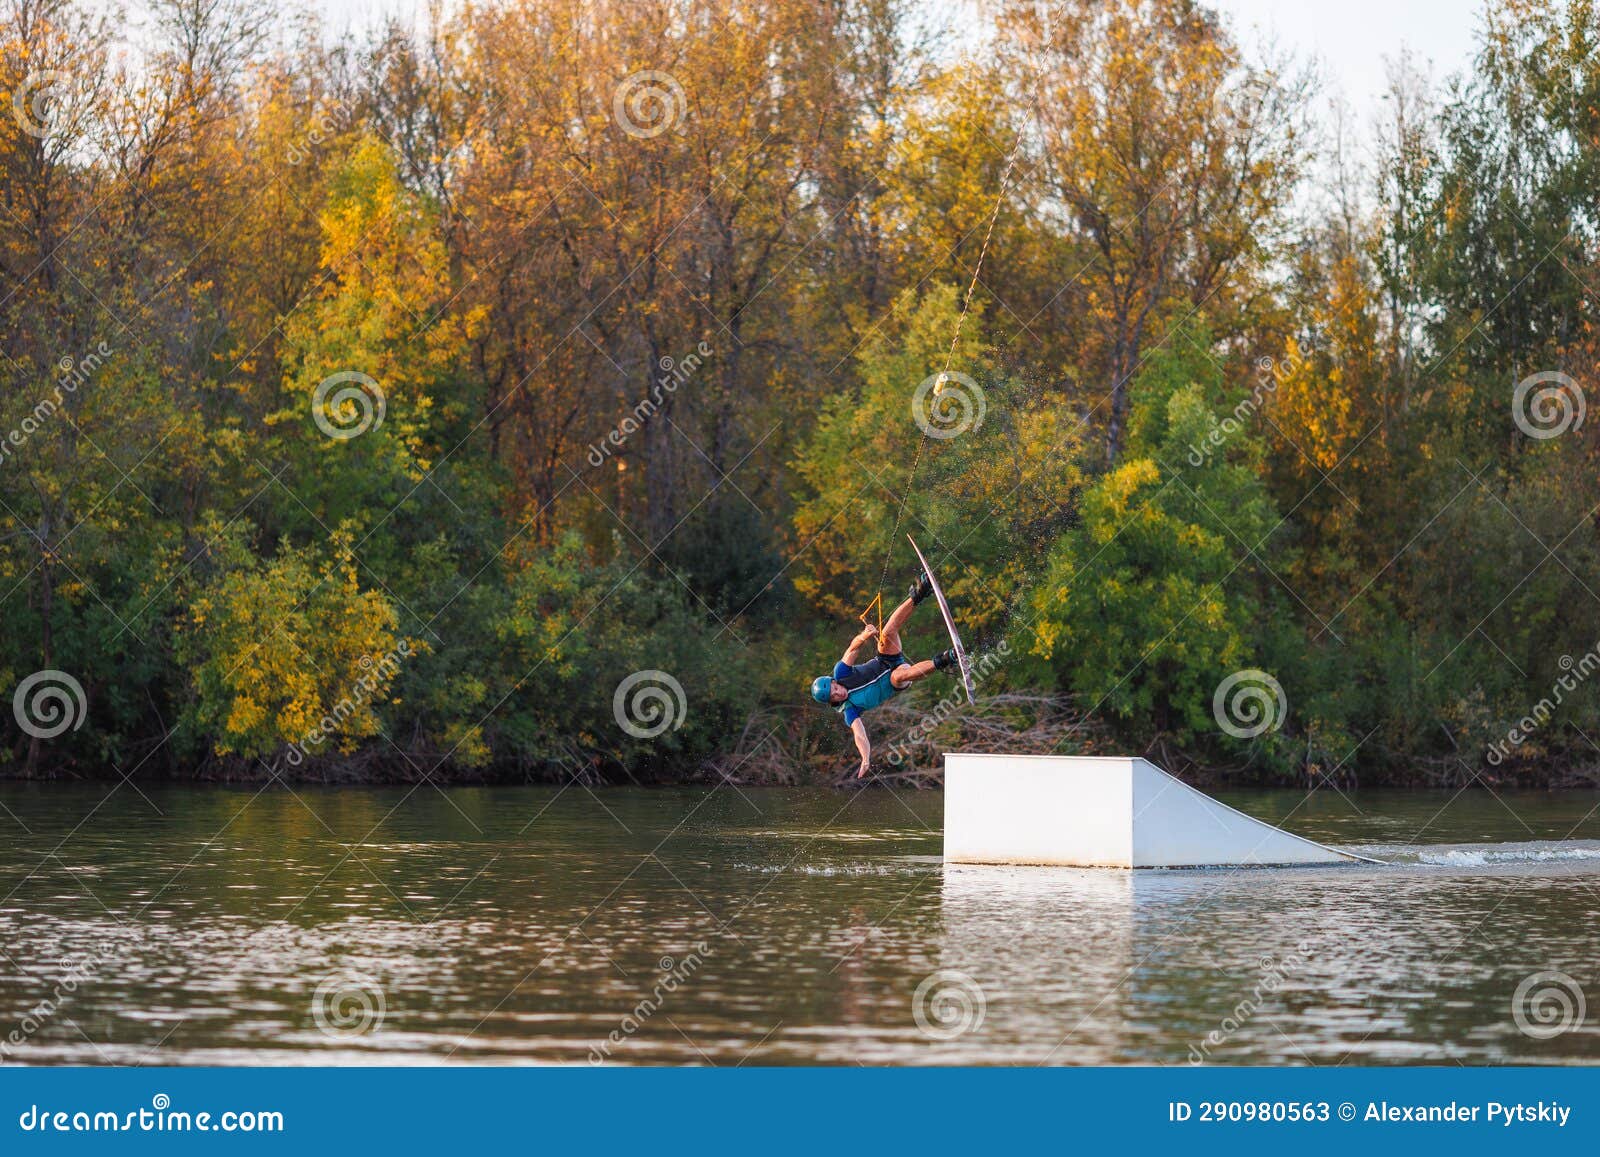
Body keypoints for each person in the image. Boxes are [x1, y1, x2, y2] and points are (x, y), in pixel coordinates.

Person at [809, 572, 959, 778]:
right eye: (834, 696)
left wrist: (864, 636)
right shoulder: (849, 711)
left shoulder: (840, 672)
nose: (838, 692)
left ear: (834, 681)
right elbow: (859, 736)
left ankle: (921, 593)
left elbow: (852, 649)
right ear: (832, 702)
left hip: (886, 659)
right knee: (897, 676)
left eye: (835, 688)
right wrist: (865, 758)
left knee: (887, 632)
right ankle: (947, 659)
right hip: (896, 681)